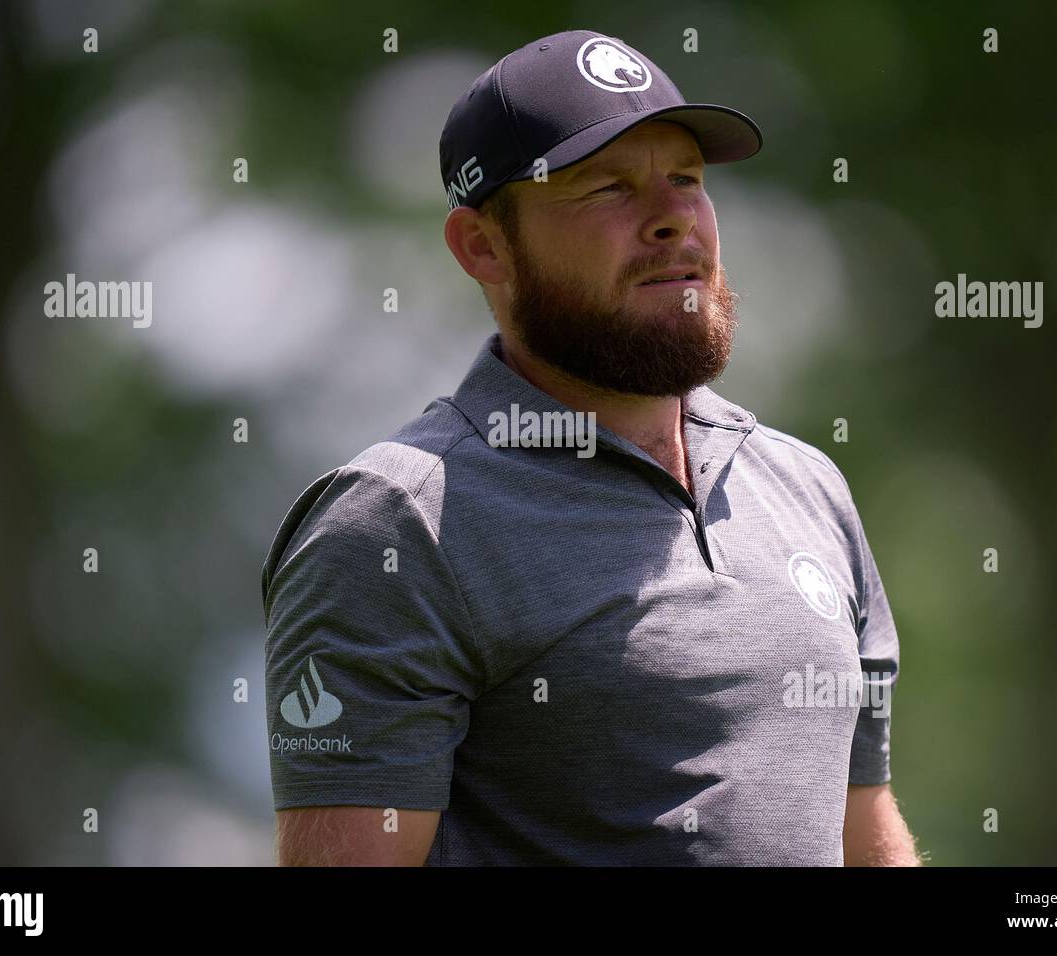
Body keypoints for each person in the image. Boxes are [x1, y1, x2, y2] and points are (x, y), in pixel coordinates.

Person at [262, 29, 920, 866]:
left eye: (686, 179)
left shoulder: (807, 487)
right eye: (607, 186)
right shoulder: (396, 526)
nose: (672, 217)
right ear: (483, 247)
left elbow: (865, 831)